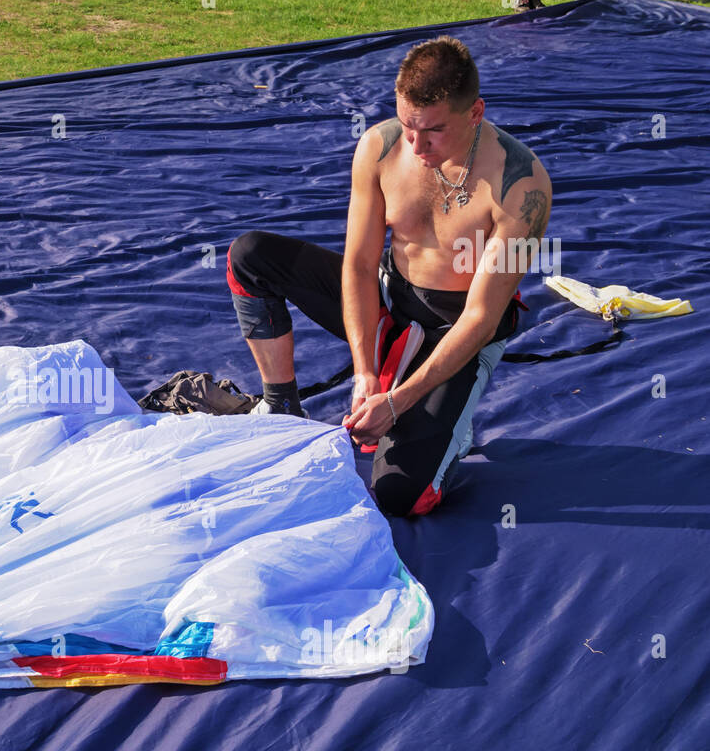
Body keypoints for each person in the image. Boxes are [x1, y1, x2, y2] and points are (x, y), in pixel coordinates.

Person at [226, 35, 552, 517]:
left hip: (456, 327)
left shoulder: (520, 185)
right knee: (249, 256)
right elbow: (358, 264)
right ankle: (280, 403)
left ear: (475, 112)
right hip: (389, 297)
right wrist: (363, 371)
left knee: (403, 497)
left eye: (433, 131)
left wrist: (398, 402)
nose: (416, 145)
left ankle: (447, 430)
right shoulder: (380, 147)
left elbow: (482, 317)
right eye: (407, 125)